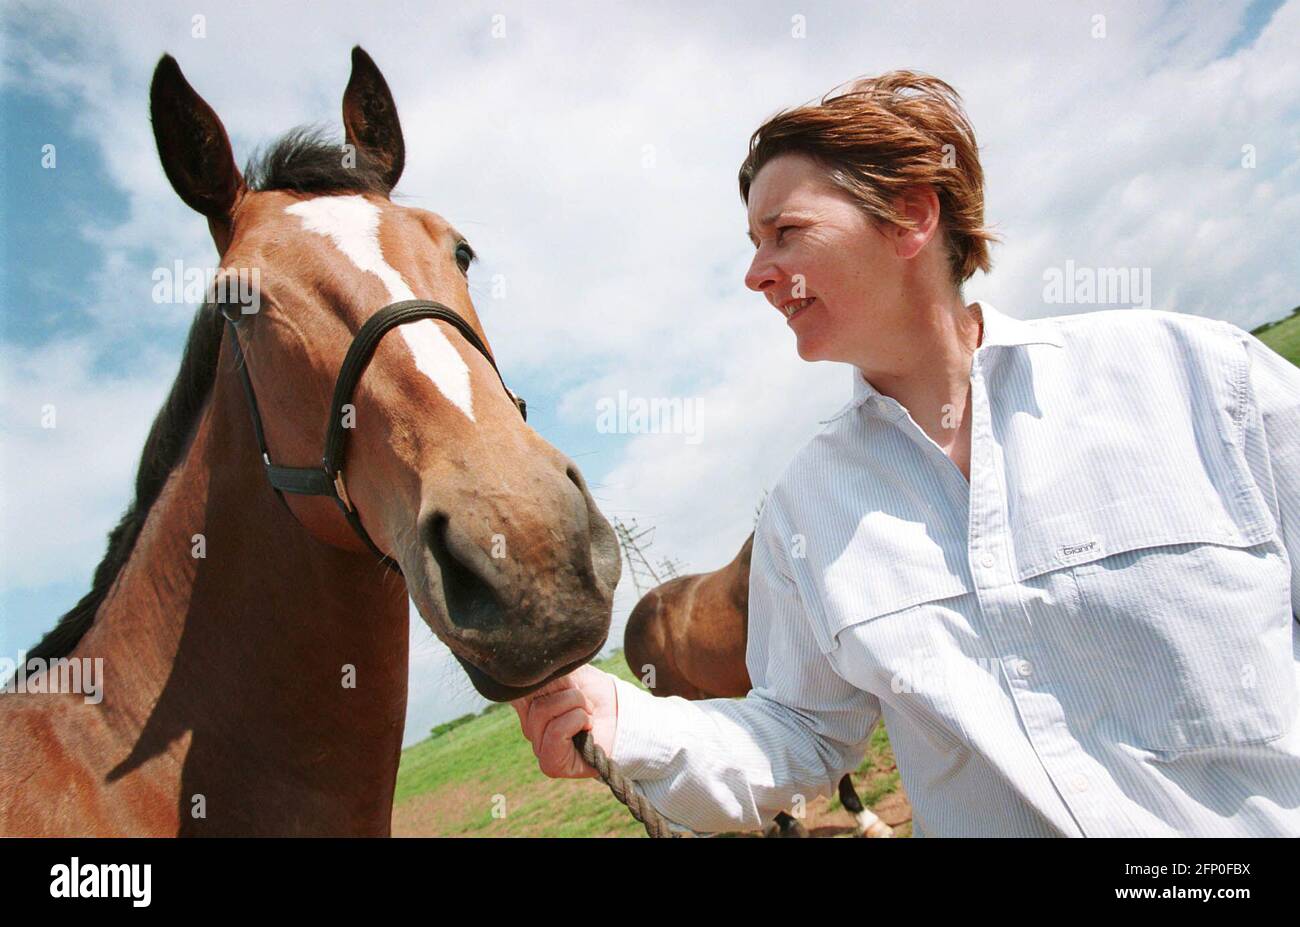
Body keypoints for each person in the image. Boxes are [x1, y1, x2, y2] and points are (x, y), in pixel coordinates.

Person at [511, 71, 1300, 837]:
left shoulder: (1197, 375)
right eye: (754, 244)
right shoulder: (805, 506)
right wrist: (628, 722)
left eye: (785, 232)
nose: (755, 274)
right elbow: (801, 735)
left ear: (909, 217)